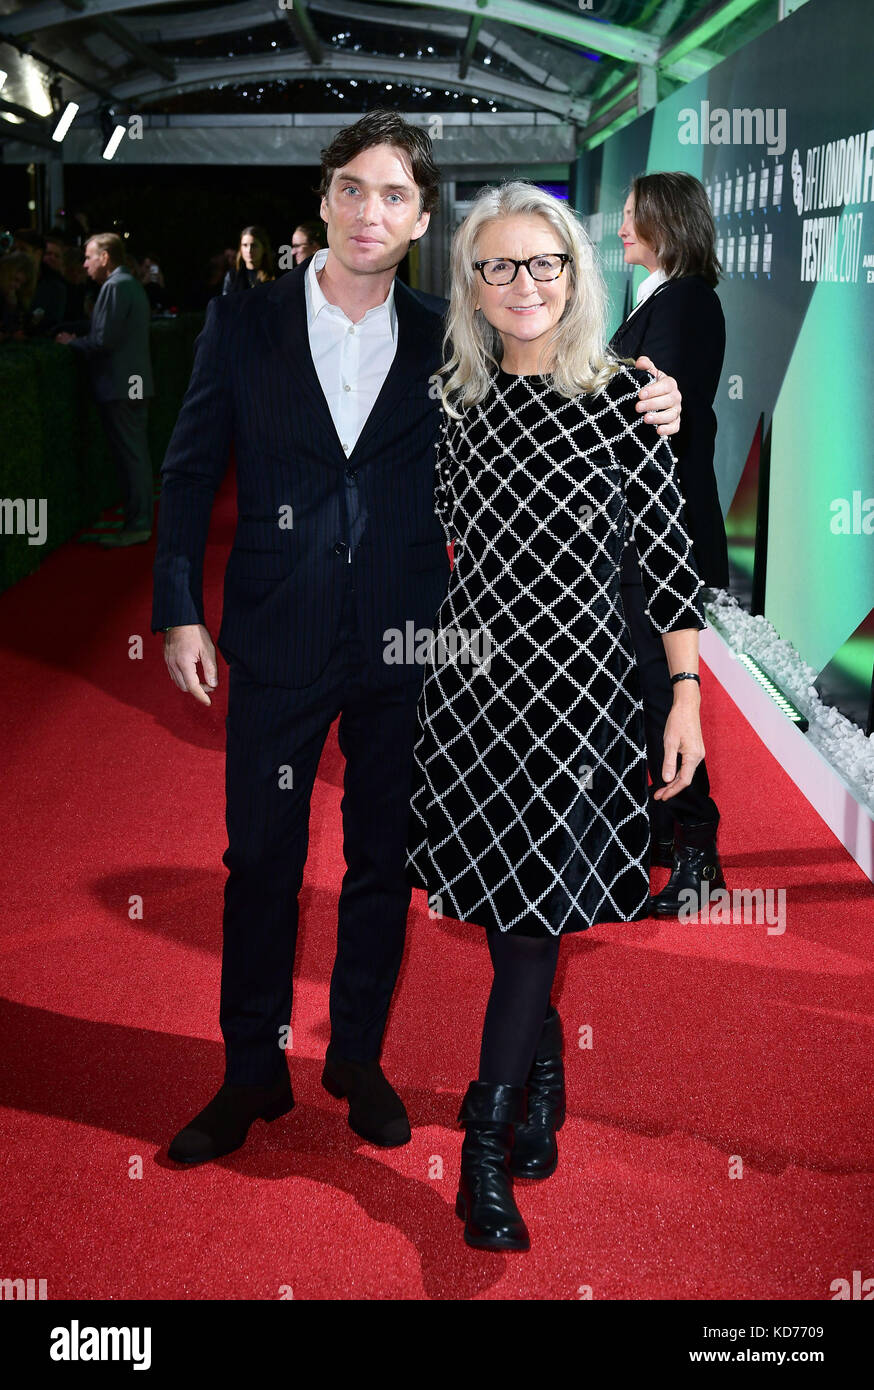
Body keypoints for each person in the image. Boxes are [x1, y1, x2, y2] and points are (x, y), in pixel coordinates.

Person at [150, 111, 687, 1171]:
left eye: (394, 195)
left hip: (412, 647)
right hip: (276, 632)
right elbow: (185, 466)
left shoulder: (450, 339)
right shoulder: (242, 321)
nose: (369, 211)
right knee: (259, 857)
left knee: (379, 862)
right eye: (353, 188)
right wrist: (178, 604)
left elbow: (556, 368)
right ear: (323, 197)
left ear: (420, 217)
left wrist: (655, 392)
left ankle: (356, 1056)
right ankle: (249, 1068)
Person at [406, 182, 706, 1252]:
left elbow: (670, 569)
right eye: (498, 266)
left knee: (531, 919)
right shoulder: (451, 402)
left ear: (576, 277)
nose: (523, 283)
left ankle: (480, 1146)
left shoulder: (632, 399)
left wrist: (684, 698)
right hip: (476, 700)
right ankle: (538, 1060)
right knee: (504, 907)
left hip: (582, 706)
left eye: (545, 264)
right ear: (472, 285)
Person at [611, 172, 728, 912]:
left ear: (666, 220)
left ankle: (699, 851)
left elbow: (660, 416)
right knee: (643, 685)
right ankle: (662, 827)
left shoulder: (684, 302)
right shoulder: (659, 297)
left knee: (661, 689)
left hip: (666, 534)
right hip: (645, 529)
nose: (622, 226)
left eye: (632, 215)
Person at [55, 233, 155, 546]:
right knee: (136, 453)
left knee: (131, 456)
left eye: (89, 256)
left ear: (106, 257)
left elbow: (102, 340)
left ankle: (138, 524)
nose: (84, 264)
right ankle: (138, 522)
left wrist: (72, 344)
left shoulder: (115, 286)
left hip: (120, 385)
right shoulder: (129, 285)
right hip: (133, 383)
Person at [14, 228, 67, 335]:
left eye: (22, 249)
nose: (16, 255)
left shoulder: (54, 287)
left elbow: (52, 325)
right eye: (13, 250)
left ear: (38, 253)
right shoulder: (7, 280)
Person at [221, 225, 276, 293]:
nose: (249, 250)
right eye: (245, 245)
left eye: (254, 245)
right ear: (240, 248)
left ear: (264, 248)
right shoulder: (232, 276)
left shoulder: (274, 274)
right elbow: (226, 302)